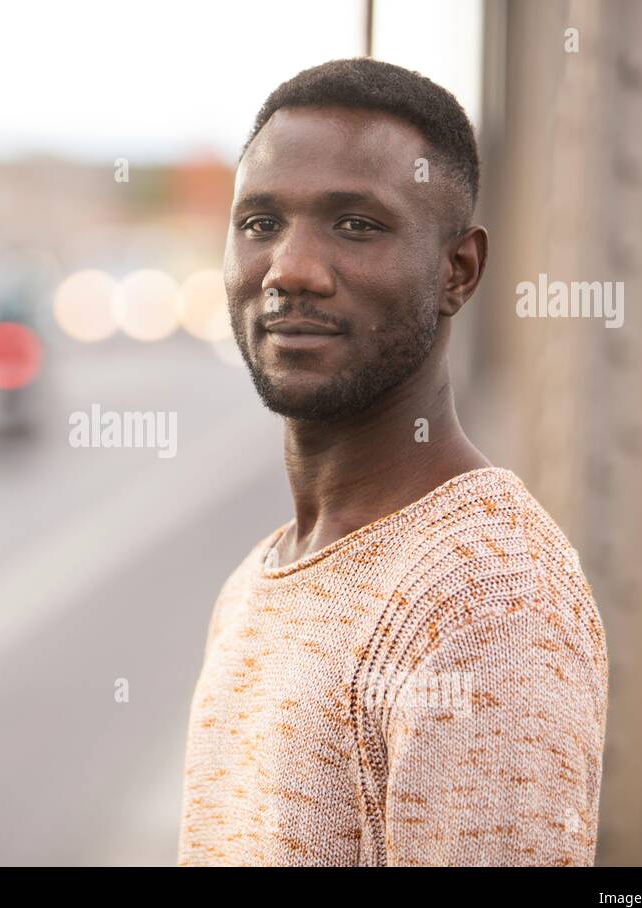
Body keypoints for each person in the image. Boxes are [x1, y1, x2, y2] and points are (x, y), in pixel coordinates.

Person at [177, 58, 608, 866]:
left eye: (357, 225)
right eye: (261, 222)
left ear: (458, 271)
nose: (290, 270)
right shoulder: (256, 580)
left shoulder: (486, 600)